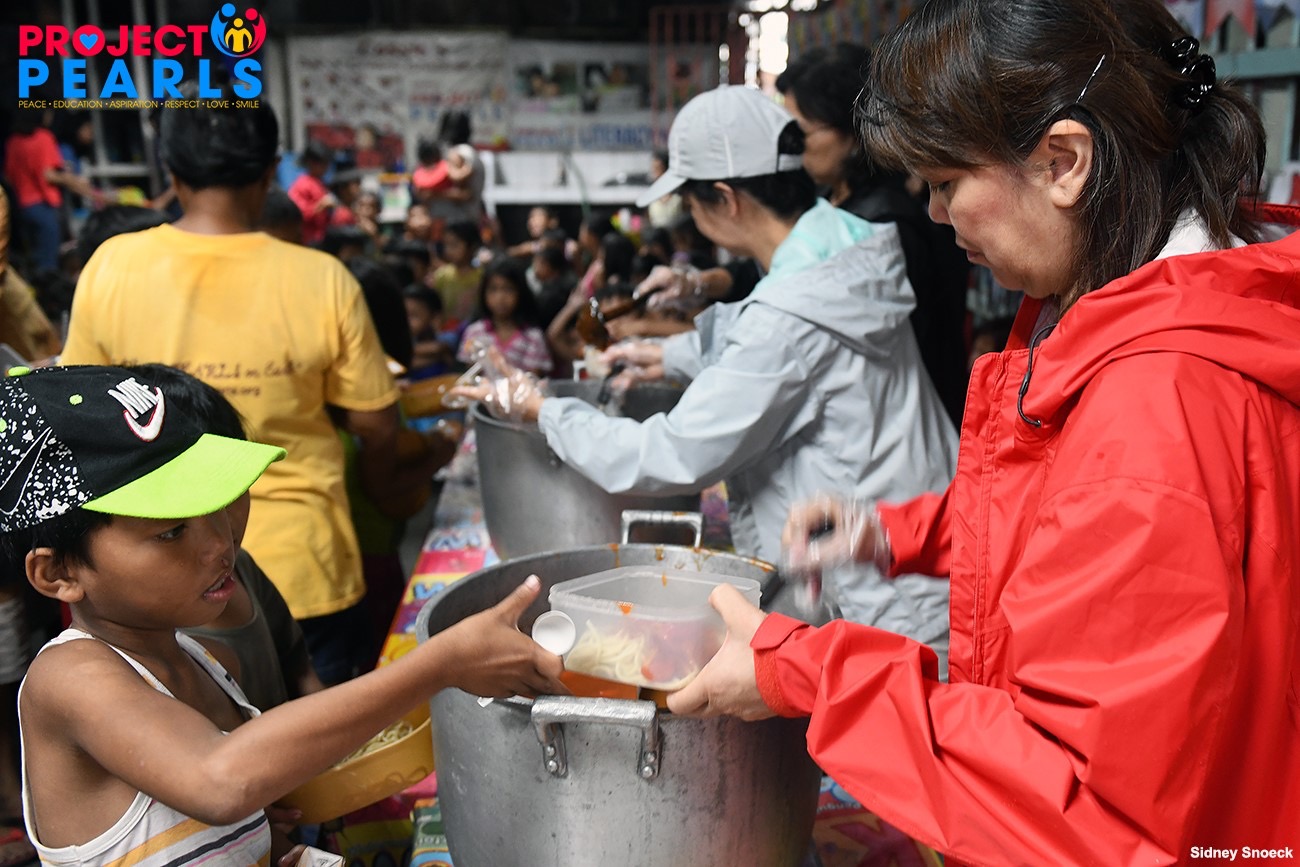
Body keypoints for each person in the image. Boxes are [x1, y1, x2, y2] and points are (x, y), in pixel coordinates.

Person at [668, 2, 1300, 864]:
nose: (932, 214)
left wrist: (805, 671)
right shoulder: (1126, 304)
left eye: (945, 182)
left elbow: (1081, 811)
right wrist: (896, 532)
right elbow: (1073, 528)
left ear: (1064, 161)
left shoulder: (1159, 408)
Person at [457, 86, 957, 655]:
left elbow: (667, 454)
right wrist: (668, 354)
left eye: (691, 203)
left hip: (888, 599)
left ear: (725, 198)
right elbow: (786, 354)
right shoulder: (843, 251)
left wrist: (543, 409)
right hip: (922, 558)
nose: (690, 218)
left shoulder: (789, 318)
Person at [3, 364, 565, 867]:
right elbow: (218, 780)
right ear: (58, 574)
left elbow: (208, 812)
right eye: (171, 531)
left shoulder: (197, 659)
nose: (220, 543)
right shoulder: (68, 678)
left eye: (222, 504)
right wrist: (439, 664)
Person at [60, 83, 425, 687]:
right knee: (322, 760)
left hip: (158, 580)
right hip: (308, 566)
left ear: (171, 171)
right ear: (268, 171)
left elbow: (81, 424)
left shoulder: (113, 267)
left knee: (200, 767)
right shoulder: (322, 278)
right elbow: (376, 424)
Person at [777, 43, 971, 426]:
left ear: (851, 131)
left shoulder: (884, 223)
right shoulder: (834, 200)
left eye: (803, 134)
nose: (796, 150)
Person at [127, 363, 325, 712]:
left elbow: (302, 673)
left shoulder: (241, 568)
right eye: (173, 527)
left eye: (229, 494)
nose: (220, 542)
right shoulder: (141, 661)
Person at [4, 111, 102, 273]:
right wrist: (90, 191)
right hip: (44, 206)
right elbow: (49, 175)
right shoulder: (43, 137)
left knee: (33, 257)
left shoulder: (14, 141)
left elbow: (8, 176)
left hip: (23, 207)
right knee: (48, 262)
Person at [457, 257, 552, 377]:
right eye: (493, 289)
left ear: (520, 293)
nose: (500, 298)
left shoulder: (532, 337)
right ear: (484, 293)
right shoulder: (475, 333)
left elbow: (532, 381)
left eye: (508, 289)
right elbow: (472, 378)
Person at [431, 220, 484, 328]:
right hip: (447, 332)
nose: (448, 251)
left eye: (454, 245)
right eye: (446, 245)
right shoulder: (442, 276)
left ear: (472, 247)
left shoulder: (482, 276)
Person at [287, 141, 335, 246]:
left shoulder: (321, 184)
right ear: (310, 163)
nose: (325, 167)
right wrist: (321, 206)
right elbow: (296, 213)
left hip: (321, 238)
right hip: (307, 240)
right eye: (321, 163)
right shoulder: (302, 185)